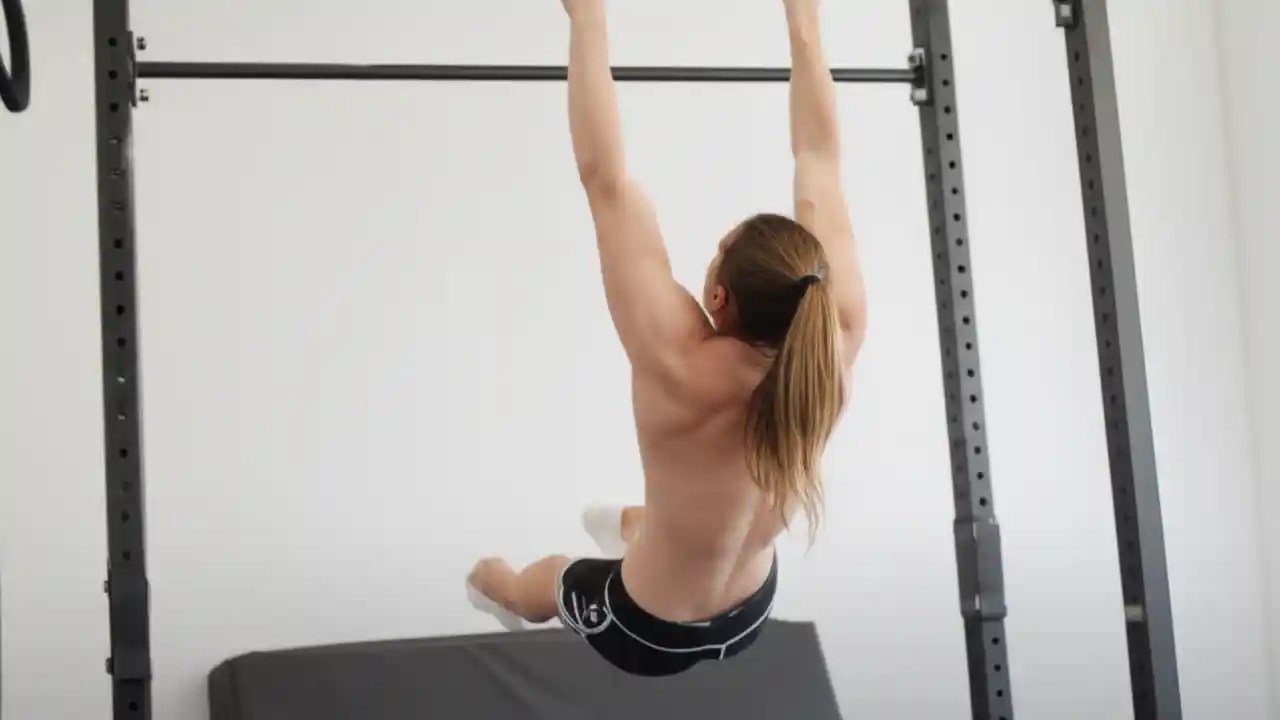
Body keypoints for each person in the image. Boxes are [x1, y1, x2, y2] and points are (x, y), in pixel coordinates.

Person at [466, 0, 867, 677]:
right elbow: (820, 156)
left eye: (717, 253)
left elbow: (607, 180)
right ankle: (637, 527)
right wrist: (805, 21)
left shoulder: (680, 361)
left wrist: (587, 20)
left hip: (647, 631)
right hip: (753, 605)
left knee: (547, 581)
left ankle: (494, 587)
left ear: (717, 297)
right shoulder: (836, 334)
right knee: (669, 519)